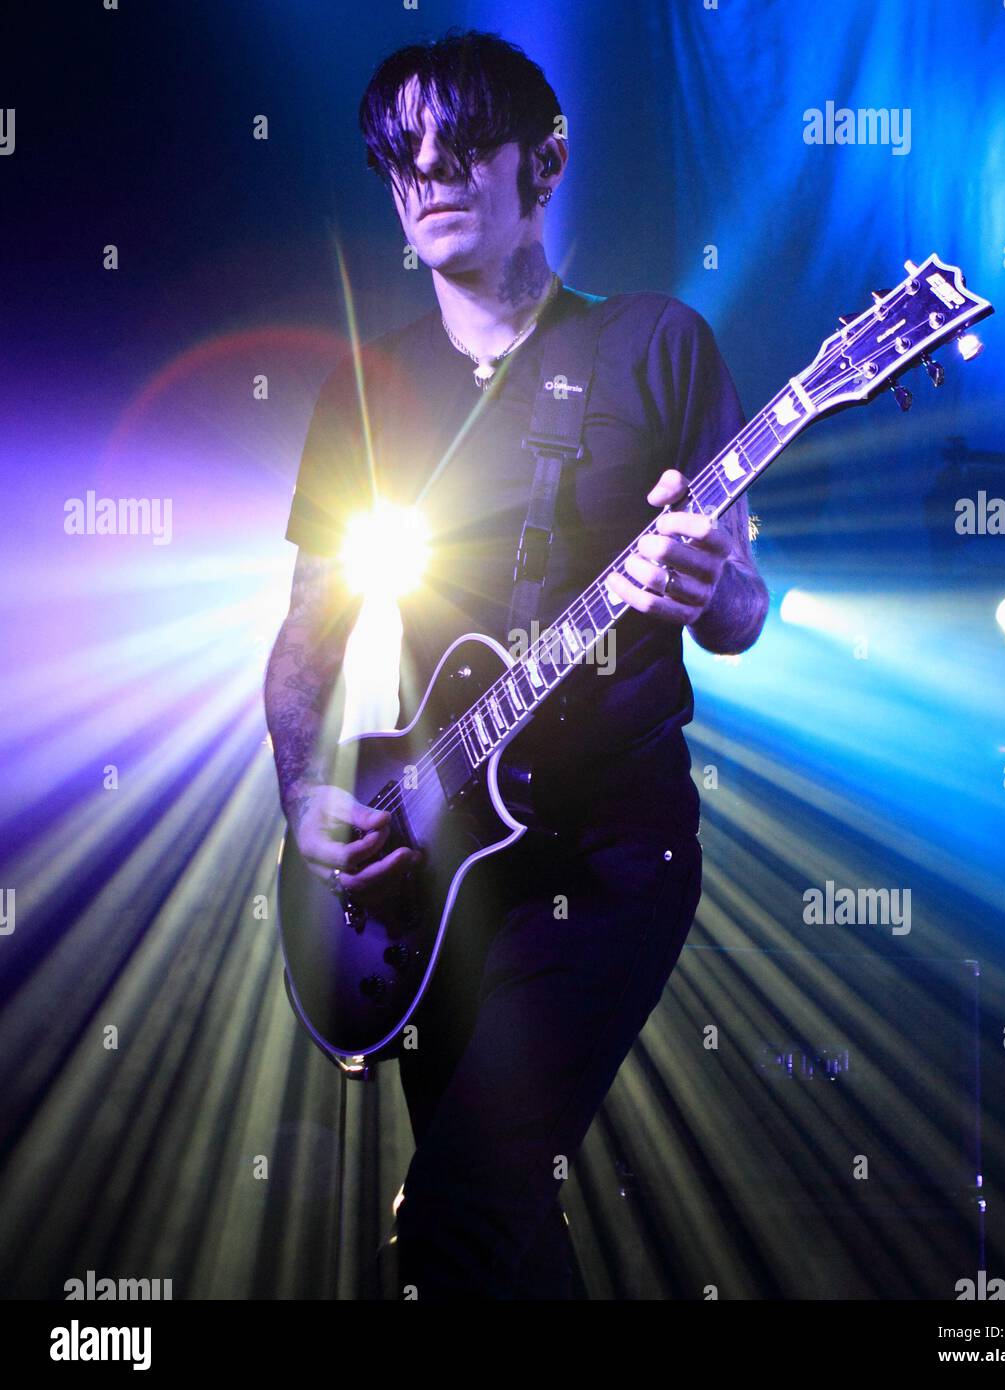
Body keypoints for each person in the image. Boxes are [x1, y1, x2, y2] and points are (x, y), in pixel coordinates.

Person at [264, 28, 769, 1300]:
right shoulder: (366, 393)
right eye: (399, 156)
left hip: (609, 856)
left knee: (448, 1228)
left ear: (542, 162)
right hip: (437, 867)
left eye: (461, 143)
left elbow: (742, 608)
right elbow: (303, 645)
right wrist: (302, 802)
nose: (428, 173)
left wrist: (709, 588)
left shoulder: (655, 344)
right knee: (502, 1246)